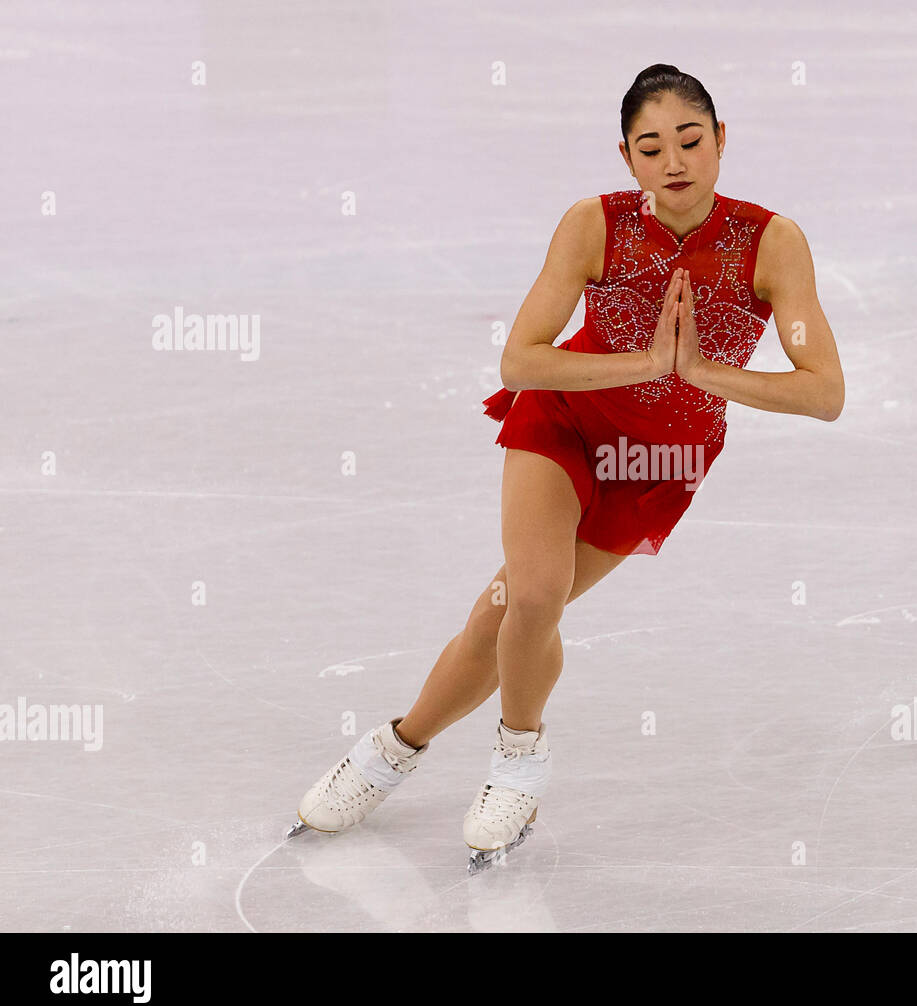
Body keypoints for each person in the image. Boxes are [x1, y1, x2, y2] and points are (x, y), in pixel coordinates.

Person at [287, 64, 844, 873]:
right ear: (627, 158)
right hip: (566, 418)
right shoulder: (593, 225)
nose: (674, 160)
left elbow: (823, 392)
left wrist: (697, 374)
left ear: (722, 140)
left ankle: (396, 746)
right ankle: (520, 754)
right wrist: (643, 361)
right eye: (651, 148)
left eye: (691, 140)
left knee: (500, 613)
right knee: (535, 592)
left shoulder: (773, 242)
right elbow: (521, 361)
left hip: (658, 457)